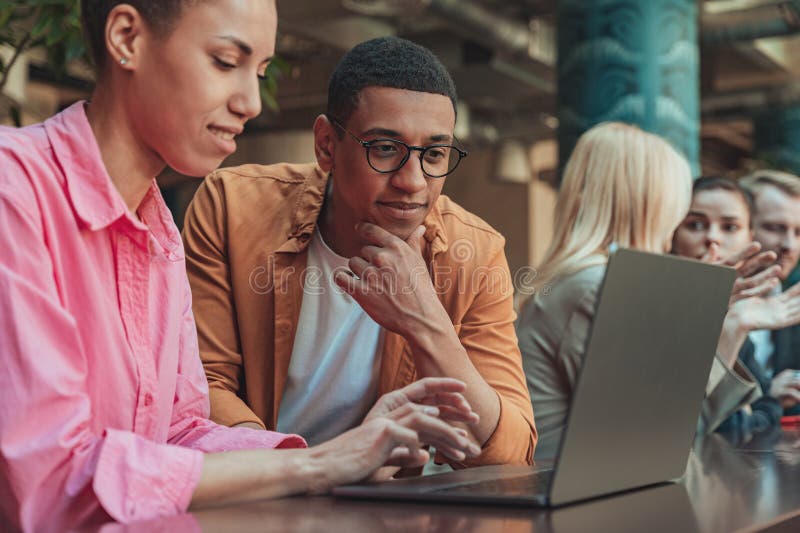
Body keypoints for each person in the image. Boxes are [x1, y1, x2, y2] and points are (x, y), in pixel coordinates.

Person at [0, 2, 480, 530]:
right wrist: (320, 463)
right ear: (126, 38)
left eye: (261, 73)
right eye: (225, 61)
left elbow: (179, 432)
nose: (251, 102)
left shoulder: (156, 227)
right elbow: (50, 483)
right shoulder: (13, 193)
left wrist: (350, 452)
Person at [182, 36, 536, 467]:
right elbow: (201, 391)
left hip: (375, 510)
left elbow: (512, 451)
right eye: (385, 149)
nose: (413, 181)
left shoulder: (475, 253)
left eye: (435, 153)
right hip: (255, 494)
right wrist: (308, 469)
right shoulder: (232, 206)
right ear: (327, 145)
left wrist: (427, 325)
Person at [516, 123, 764, 459]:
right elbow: (652, 441)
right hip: (580, 502)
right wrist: (719, 325)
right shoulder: (596, 286)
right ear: (649, 203)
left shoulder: (586, 279)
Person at [737, 171, 800, 417]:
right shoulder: (709, 302)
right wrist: (766, 395)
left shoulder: (790, 302)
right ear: (743, 227)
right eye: (775, 228)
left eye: (798, 232)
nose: (789, 246)